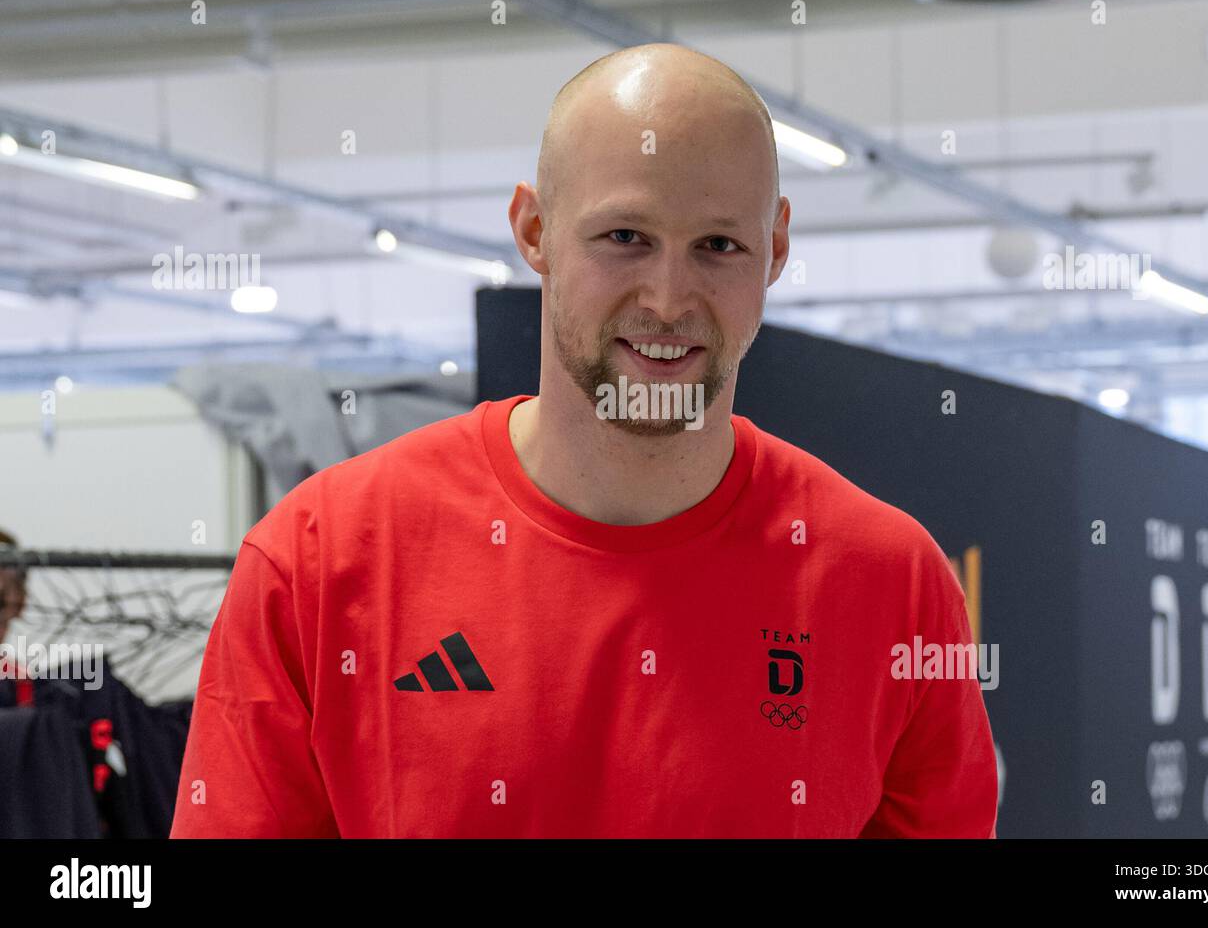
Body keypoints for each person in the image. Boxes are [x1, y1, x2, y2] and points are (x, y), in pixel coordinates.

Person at [171, 43, 998, 838]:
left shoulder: (893, 585)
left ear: (774, 249)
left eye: (718, 246)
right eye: (625, 237)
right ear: (533, 230)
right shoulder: (321, 562)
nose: (670, 299)